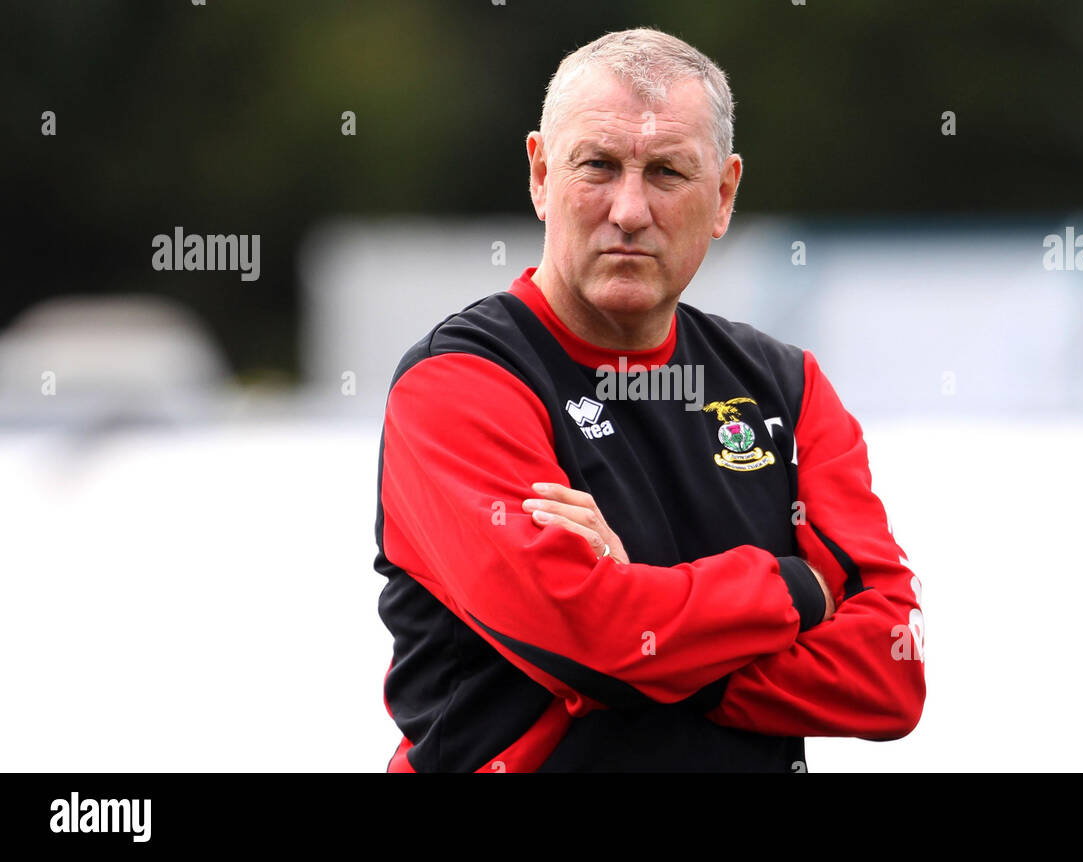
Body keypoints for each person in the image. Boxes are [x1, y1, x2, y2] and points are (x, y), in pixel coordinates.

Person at [372, 27, 925, 772]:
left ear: (724, 195)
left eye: (667, 172)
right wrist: (798, 588)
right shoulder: (459, 383)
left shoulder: (787, 389)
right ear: (540, 176)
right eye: (597, 165)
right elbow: (589, 640)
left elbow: (890, 677)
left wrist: (639, 631)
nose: (629, 210)